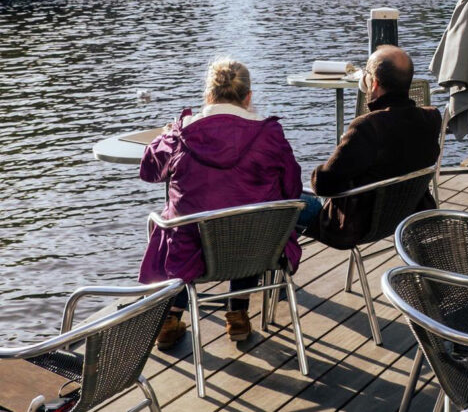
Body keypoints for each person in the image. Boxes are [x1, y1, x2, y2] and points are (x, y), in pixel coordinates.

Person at [139, 58, 302, 349]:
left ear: (207, 96)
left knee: (177, 224)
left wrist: (164, 136)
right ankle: (237, 313)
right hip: (256, 250)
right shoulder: (270, 135)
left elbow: (150, 171)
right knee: (249, 214)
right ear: (248, 97)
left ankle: (170, 317)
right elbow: (292, 188)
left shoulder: (180, 135)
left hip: (190, 255)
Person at [297, 45, 441, 247]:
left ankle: (277, 269)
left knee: (281, 198)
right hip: (401, 217)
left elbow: (323, 184)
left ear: (374, 83)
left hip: (353, 225)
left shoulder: (367, 128)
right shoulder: (431, 118)